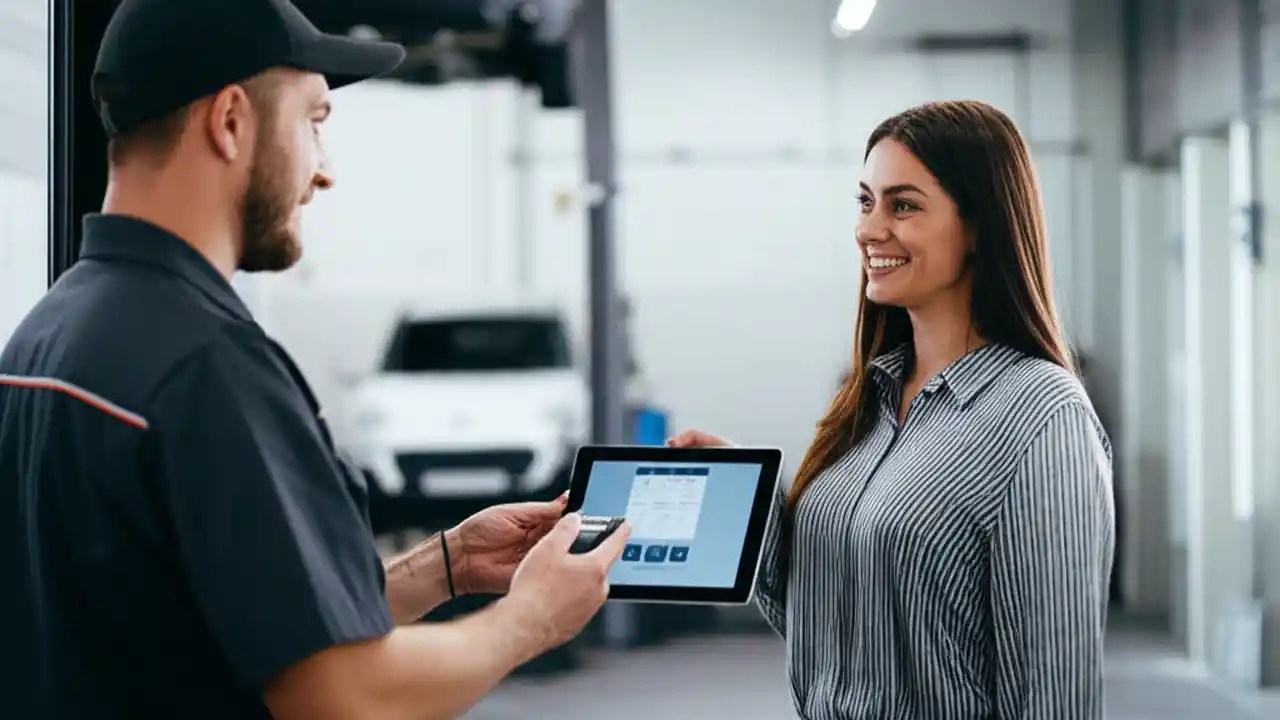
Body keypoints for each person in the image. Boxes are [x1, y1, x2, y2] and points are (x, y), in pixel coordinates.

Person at [0, 1, 629, 718]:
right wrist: (532, 620)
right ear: (230, 120)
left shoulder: (48, 333)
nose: (324, 172)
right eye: (315, 123)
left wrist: (444, 567)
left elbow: (220, 625)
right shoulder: (206, 365)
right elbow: (344, 695)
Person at [670, 100, 1114, 718]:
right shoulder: (870, 399)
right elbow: (831, 620)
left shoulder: (1041, 415)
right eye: (865, 201)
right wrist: (759, 504)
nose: (869, 229)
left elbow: (1054, 689)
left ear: (981, 224)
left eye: (902, 205)